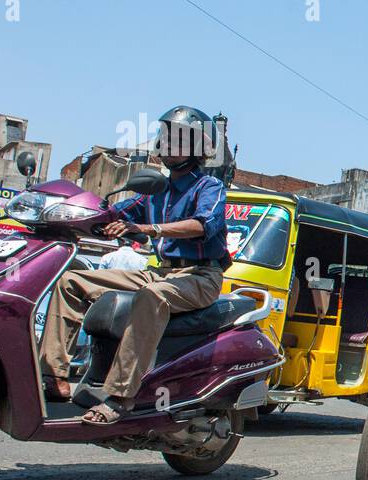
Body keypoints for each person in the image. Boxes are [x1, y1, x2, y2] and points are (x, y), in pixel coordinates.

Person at [39, 106, 229, 425]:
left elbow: (203, 224)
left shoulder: (208, 187)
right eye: (166, 136)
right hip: (160, 271)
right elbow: (116, 213)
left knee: (152, 296)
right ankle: (54, 376)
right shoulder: (155, 191)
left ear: (197, 147)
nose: (167, 143)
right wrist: (76, 215)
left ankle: (120, 396)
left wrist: (147, 229)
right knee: (72, 282)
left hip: (200, 276)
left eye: (177, 138)